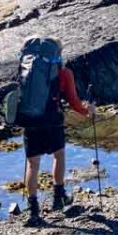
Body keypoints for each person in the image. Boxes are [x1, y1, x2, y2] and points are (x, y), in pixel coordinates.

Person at [23, 60, 95, 226]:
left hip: (30, 122)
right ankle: (58, 197)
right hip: (53, 121)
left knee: (32, 164)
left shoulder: (26, 69)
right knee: (59, 156)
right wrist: (87, 111)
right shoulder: (64, 72)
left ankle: (33, 210)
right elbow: (73, 101)